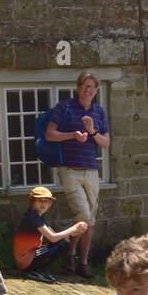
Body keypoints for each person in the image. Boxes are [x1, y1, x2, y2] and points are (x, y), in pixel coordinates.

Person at [46, 70, 109, 278]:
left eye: (91, 87)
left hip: (91, 169)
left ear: (96, 90)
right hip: (69, 170)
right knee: (84, 214)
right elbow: (50, 134)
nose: (88, 90)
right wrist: (72, 135)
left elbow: (106, 143)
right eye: (84, 86)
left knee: (89, 218)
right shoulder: (64, 107)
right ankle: (72, 254)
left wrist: (92, 132)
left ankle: (79, 260)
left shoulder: (99, 111)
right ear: (78, 87)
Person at [14, 186, 88, 283]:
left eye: (47, 201)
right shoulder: (33, 217)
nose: (44, 204)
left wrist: (75, 232)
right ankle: (37, 270)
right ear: (33, 202)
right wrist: (74, 228)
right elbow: (53, 238)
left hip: (30, 257)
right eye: (40, 201)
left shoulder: (37, 216)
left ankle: (39, 270)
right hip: (26, 261)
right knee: (64, 243)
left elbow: (55, 236)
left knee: (63, 242)